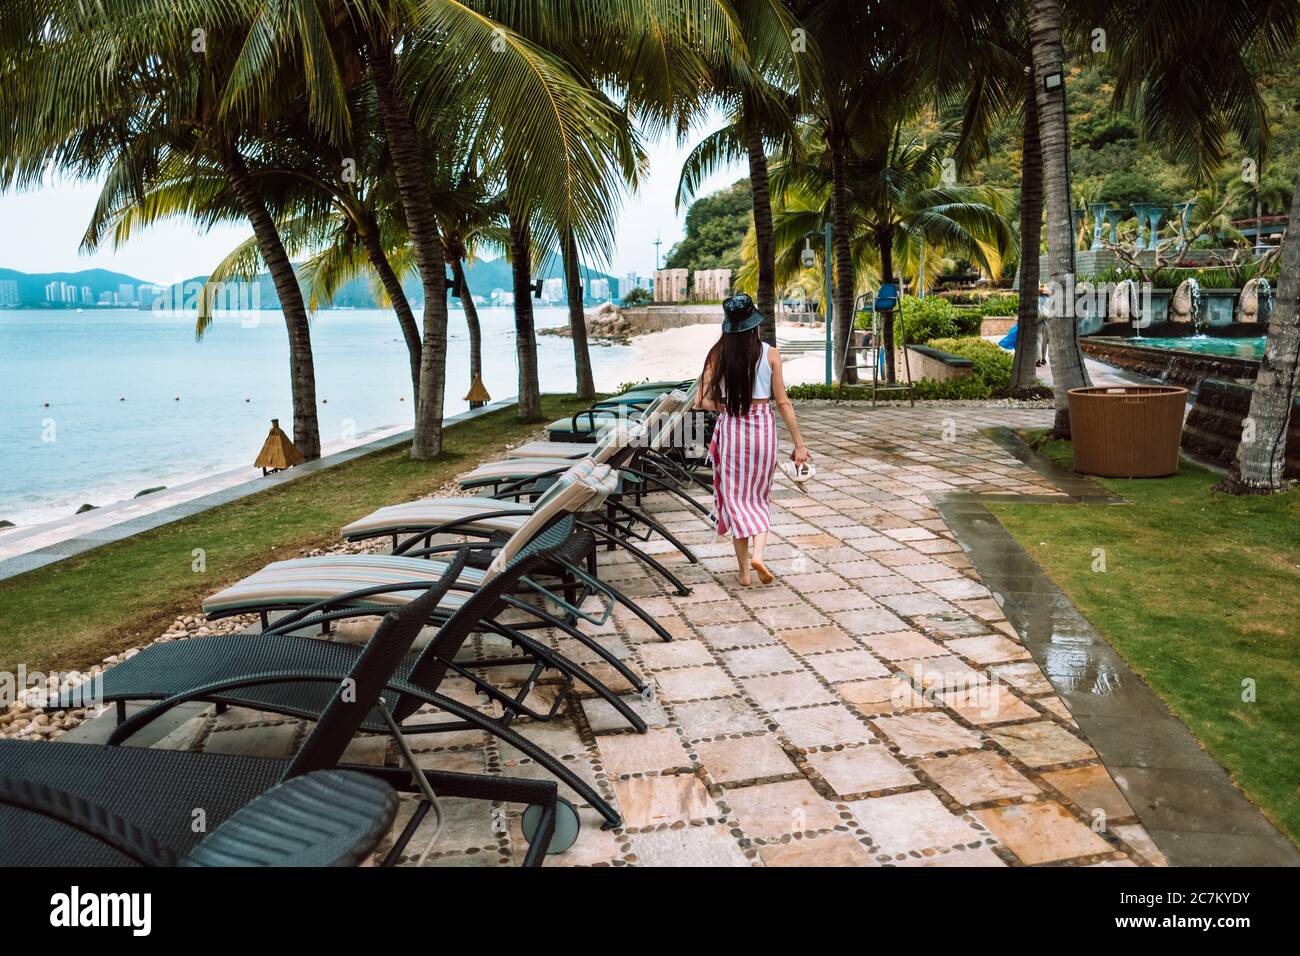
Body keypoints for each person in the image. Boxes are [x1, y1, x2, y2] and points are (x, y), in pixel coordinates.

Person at [695, 293, 811, 587]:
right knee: (758, 497)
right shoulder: (771, 354)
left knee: (736, 500)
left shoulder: (717, 354)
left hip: (732, 430)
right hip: (762, 431)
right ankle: (758, 555)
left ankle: (744, 572)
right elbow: (782, 402)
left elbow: (700, 401)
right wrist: (799, 444)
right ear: (754, 324)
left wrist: (725, 406)